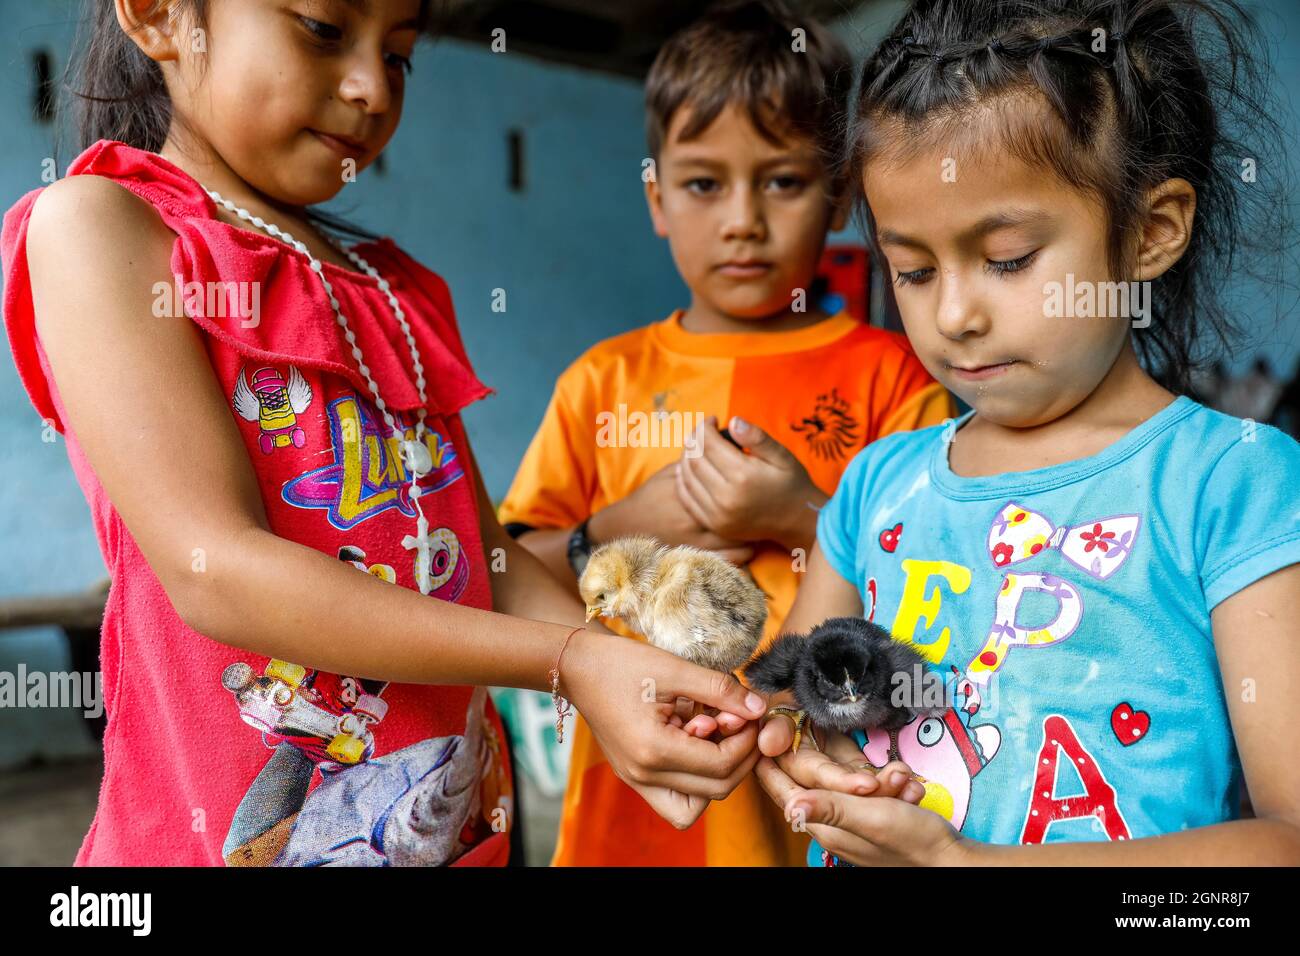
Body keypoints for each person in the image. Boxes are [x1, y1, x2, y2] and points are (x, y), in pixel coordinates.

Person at [0, 0, 769, 867]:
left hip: (446, 826)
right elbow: (215, 570)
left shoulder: (393, 290)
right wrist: (569, 662)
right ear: (159, 15)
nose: (371, 89)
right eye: (325, 30)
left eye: (399, 56)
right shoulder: (104, 227)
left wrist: (620, 675)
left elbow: (491, 561)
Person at [754, 0, 1300, 865]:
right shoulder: (875, 486)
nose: (955, 315)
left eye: (1006, 259)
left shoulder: (1231, 482)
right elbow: (800, 701)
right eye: (915, 270)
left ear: (1150, 234)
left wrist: (962, 864)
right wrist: (792, 756)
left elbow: (1286, 844)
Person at [498, 0, 955, 866]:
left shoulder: (893, 377)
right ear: (657, 197)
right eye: (705, 183)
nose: (742, 218)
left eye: (782, 181)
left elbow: (944, 597)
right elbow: (502, 569)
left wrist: (805, 520)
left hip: (828, 798)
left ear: (838, 195)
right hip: (630, 800)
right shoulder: (604, 381)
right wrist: (625, 528)